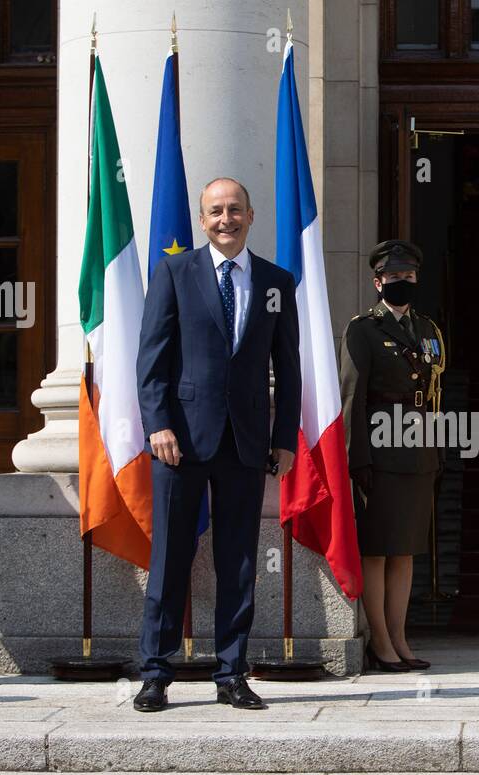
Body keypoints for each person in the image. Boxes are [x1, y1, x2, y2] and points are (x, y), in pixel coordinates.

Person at [133, 177, 300, 713]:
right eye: (215, 212)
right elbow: (151, 358)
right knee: (169, 560)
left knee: (239, 563)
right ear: (202, 222)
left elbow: (288, 368)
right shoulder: (175, 272)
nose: (225, 219)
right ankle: (155, 674)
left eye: (234, 210)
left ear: (251, 217)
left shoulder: (277, 281)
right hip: (178, 442)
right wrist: (157, 424)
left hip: (246, 443)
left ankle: (231, 673)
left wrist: (285, 437)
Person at [339, 240, 445, 672]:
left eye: (408, 277)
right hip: (379, 452)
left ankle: (400, 638)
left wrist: (436, 448)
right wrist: (356, 458)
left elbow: (435, 393)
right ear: (377, 280)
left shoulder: (428, 329)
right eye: (394, 277)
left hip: (418, 449)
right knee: (377, 550)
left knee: (405, 550)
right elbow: (353, 396)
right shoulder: (362, 329)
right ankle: (380, 642)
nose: (402, 283)